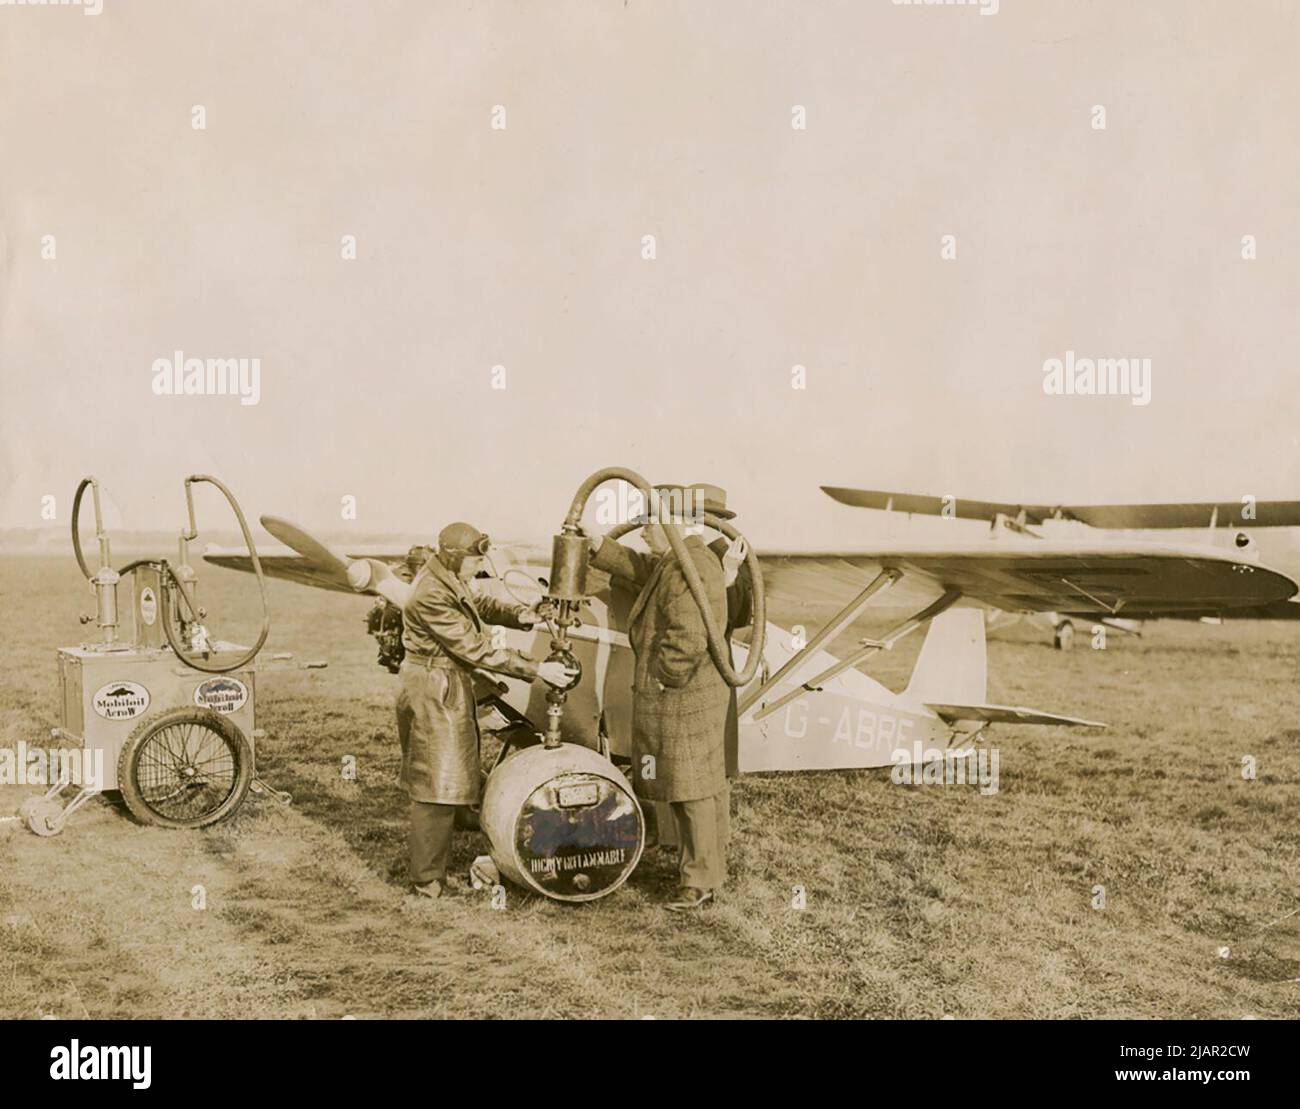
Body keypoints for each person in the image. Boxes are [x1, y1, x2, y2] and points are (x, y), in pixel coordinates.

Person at [396, 521, 576, 899]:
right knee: (434, 782)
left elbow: (478, 604)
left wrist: (522, 615)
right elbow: (475, 650)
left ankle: (456, 824)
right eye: (472, 562)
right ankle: (426, 879)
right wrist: (537, 669)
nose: (476, 569)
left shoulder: (446, 576)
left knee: (451, 768)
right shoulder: (430, 592)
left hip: (443, 681)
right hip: (434, 686)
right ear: (453, 556)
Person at [588, 487, 731, 911]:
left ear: (674, 524)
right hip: (688, 693)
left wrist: (662, 678)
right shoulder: (680, 559)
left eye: (650, 523)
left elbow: (688, 637)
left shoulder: (694, 566)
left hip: (685, 695)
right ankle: (705, 869)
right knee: (697, 785)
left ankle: (699, 882)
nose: (644, 532)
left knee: (693, 789)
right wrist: (600, 546)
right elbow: (644, 568)